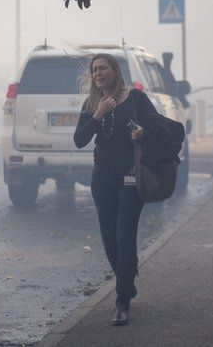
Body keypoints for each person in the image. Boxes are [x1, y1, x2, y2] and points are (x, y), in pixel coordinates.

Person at [73, 53, 156, 326]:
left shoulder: (136, 98)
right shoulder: (92, 103)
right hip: (103, 178)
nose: (98, 73)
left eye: (103, 68)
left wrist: (143, 132)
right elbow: (79, 139)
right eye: (95, 70)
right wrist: (98, 114)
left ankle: (122, 302)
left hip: (131, 176)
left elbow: (157, 126)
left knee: (124, 238)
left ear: (116, 71)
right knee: (109, 240)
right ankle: (126, 282)